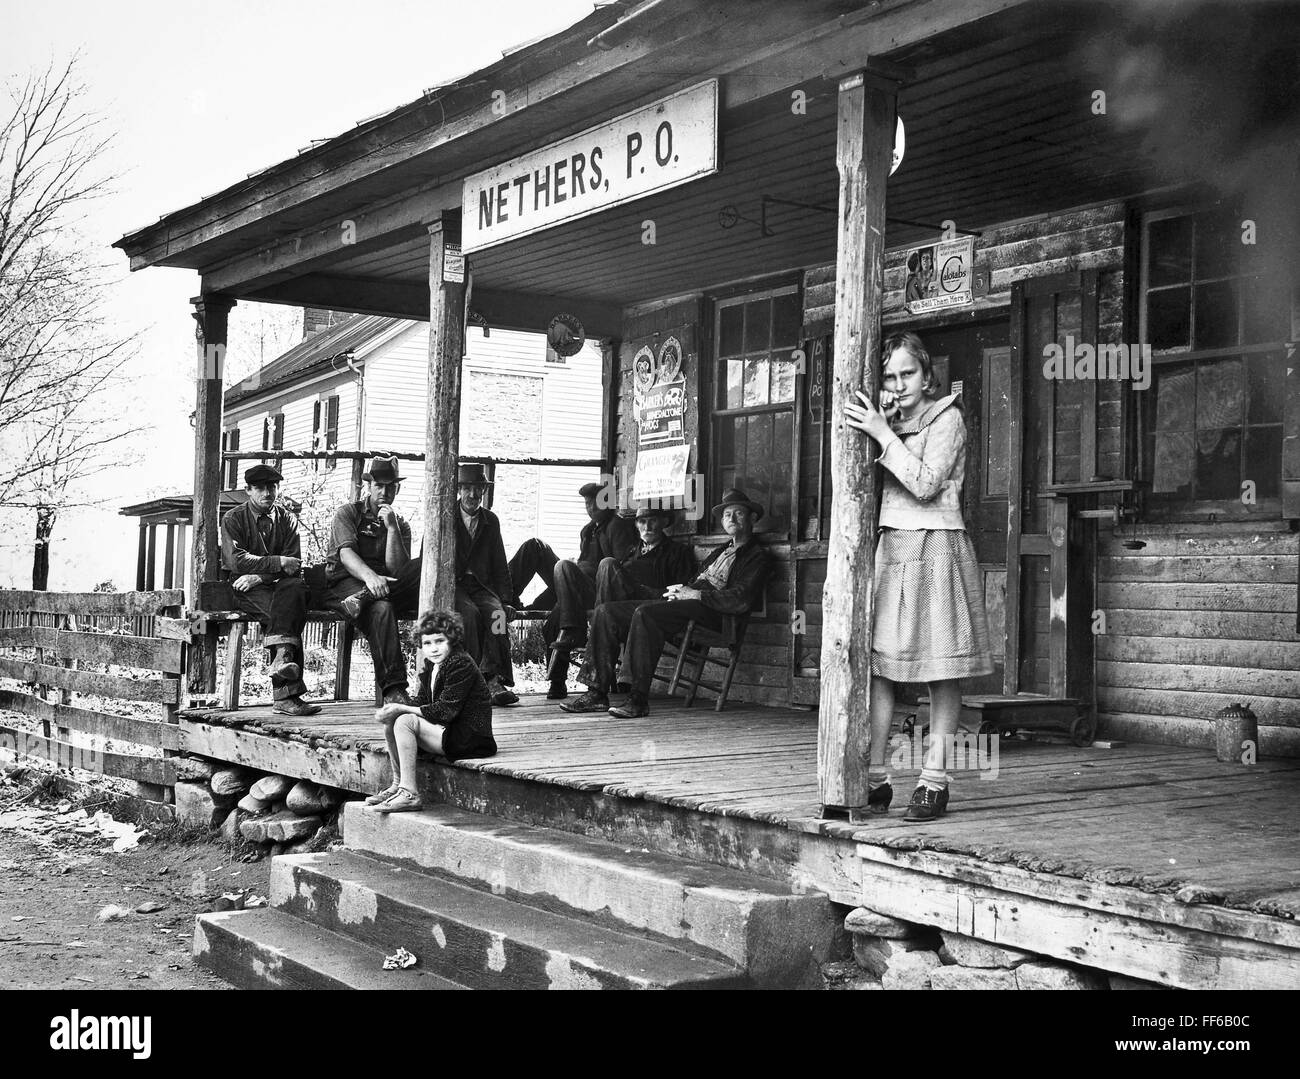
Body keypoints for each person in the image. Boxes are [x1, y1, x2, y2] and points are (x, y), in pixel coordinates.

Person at [843, 330, 993, 823]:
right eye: (890, 375)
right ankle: (875, 775)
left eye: (909, 373)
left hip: (935, 547)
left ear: (928, 377)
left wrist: (884, 436)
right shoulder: (883, 421)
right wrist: (878, 429)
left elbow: (927, 484)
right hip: (892, 548)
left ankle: (934, 780)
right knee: (882, 667)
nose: (899, 383)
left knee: (939, 668)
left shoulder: (946, 417)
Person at [562, 488, 770, 719]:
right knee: (605, 611)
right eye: (727, 514)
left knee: (645, 613)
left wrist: (695, 595)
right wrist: (680, 590)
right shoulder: (723, 550)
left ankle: (637, 699)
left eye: (738, 513)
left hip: (714, 613)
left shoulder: (756, 556)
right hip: (689, 603)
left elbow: (740, 599)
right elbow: (695, 581)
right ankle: (596, 693)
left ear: (752, 518)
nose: (731, 519)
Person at [547, 504, 695, 699]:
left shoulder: (677, 551)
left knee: (607, 563)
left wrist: (648, 591)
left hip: (645, 604)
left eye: (653, 521)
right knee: (563, 567)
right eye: (642, 521)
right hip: (614, 602)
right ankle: (573, 630)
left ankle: (596, 638)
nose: (647, 527)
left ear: (664, 523)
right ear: (636, 525)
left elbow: (679, 591)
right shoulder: (632, 550)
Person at [365, 610, 496, 813]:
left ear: (452, 640)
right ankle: (398, 786)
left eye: (439, 641)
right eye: (427, 643)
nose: (433, 649)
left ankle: (410, 794)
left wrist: (402, 708)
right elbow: (422, 701)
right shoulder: (432, 665)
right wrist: (394, 710)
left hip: (470, 738)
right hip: (446, 732)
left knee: (405, 720)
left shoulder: (460, 663)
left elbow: (446, 711)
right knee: (394, 720)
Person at [220, 464, 320, 716]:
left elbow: (294, 563)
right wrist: (274, 565)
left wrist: (259, 575)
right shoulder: (234, 518)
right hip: (244, 589)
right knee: (287, 616)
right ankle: (286, 696)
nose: (268, 493)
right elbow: (236, 561)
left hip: (273, 585)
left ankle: (282, 664)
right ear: (248, 490)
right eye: (261, 488)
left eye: (272, 487)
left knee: (295, 589)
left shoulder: (287, 518)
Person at [324, 454, 421, 705]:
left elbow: (399, 569)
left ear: (397, 489)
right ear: (369, 486)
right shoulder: (348, 513)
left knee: (423, 565)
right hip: (348, 581)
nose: (384, 492)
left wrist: (391, 529)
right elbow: (345, 555)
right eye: (379, 486)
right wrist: (370, 578)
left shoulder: (400, 524)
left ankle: (364, 599)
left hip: (382, 584)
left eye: (391, 487)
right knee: (382, 607)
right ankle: (394, 691)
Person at [508, 479, 638, 614]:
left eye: (596, 503)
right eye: (588, 503)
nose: (591, 508)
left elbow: (620, 572)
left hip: (596, 592)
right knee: (535, 547)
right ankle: (505, 596)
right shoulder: (587, 530)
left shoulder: (617, 526)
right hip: (577, 583)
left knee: (564, 570)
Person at [453, 462, 519, 706]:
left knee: (497, 616)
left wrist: (507, 599)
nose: (472, 495)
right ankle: (476, 679)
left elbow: (500, 564)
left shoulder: (491, 520)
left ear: (484, 491)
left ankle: (494, 678)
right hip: (455, 585)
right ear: (459, 490)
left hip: (482, 585)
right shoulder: (446, 516)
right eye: (467, 488)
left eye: (477, 489)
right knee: (468, 615)